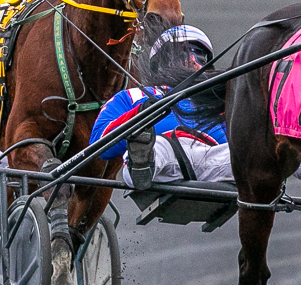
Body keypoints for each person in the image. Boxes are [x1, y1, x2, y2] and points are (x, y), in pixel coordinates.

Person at [92, 24, 231, 185]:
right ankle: (141, 162)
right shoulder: (132, 96)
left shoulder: (217, 102)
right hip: (163, 159)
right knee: (156, 147)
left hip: (214, 164)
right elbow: (98, 143)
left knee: (246, 156)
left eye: (200, 56)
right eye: (182, 55)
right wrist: (140, 117)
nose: (193, 61)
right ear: (160, 64)